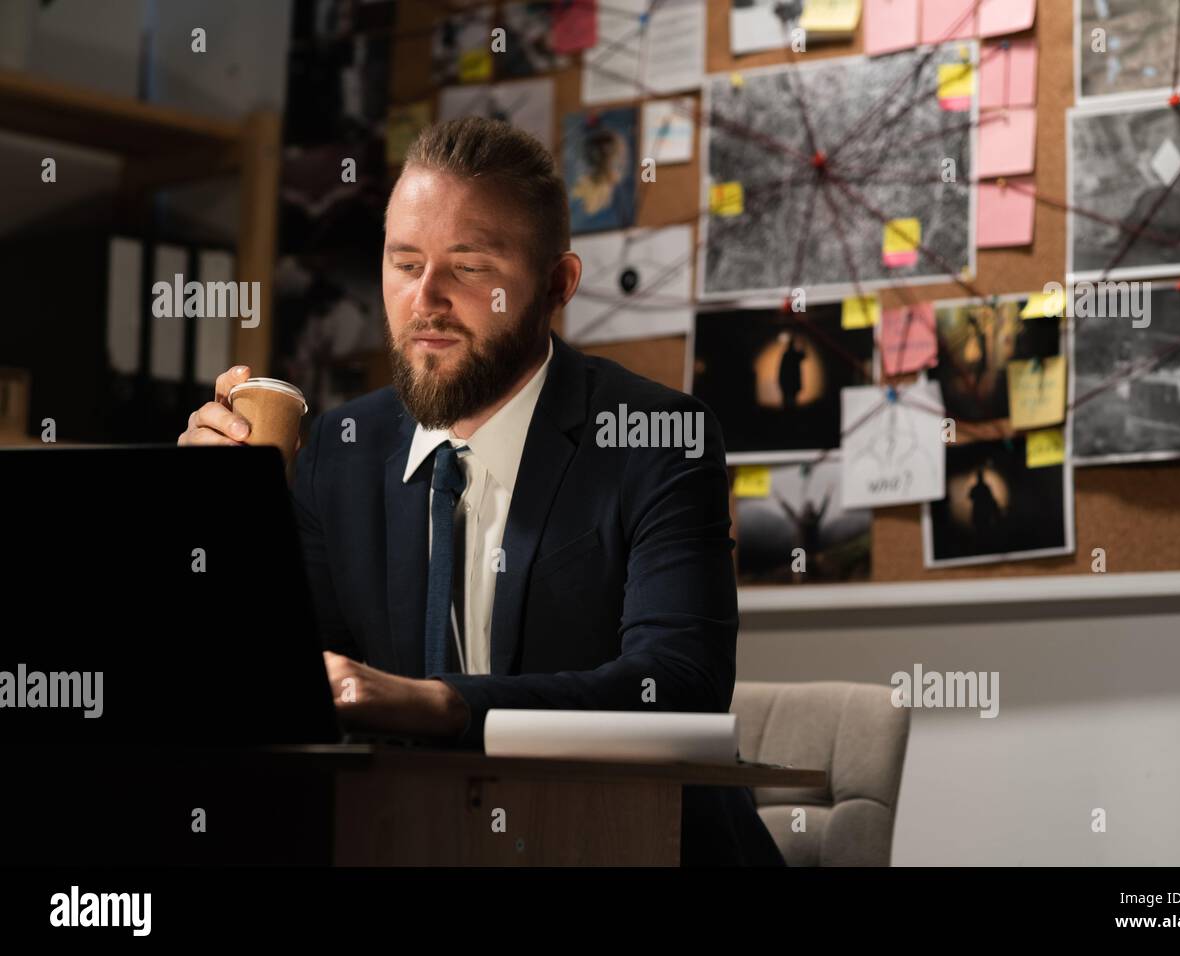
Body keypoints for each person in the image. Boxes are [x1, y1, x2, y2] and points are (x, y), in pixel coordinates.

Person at [178, 116, 784, 866]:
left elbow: (678, 682)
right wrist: (216, 523)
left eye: (469, 268)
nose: (425, 300)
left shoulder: (659, 439)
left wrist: (442, 704)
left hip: (638, 845)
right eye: (404, 264)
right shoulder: (341, 453)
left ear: (557, 286)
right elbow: (271, 693)